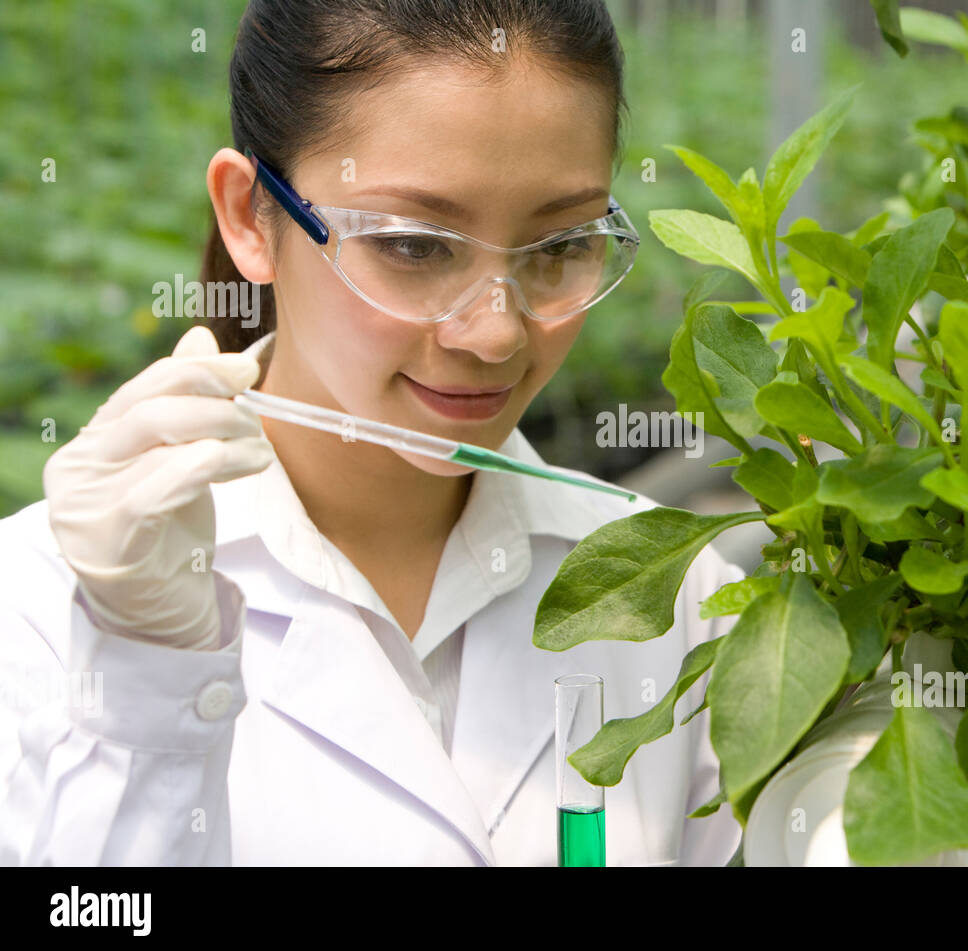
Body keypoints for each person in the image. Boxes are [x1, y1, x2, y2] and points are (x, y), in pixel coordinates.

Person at [0, 0, 746, 866]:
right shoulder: (43, 610)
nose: (496, 334)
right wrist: (145, 681)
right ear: (250, 217)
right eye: (415, 247)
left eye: (558, 246)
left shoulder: (672, 598)